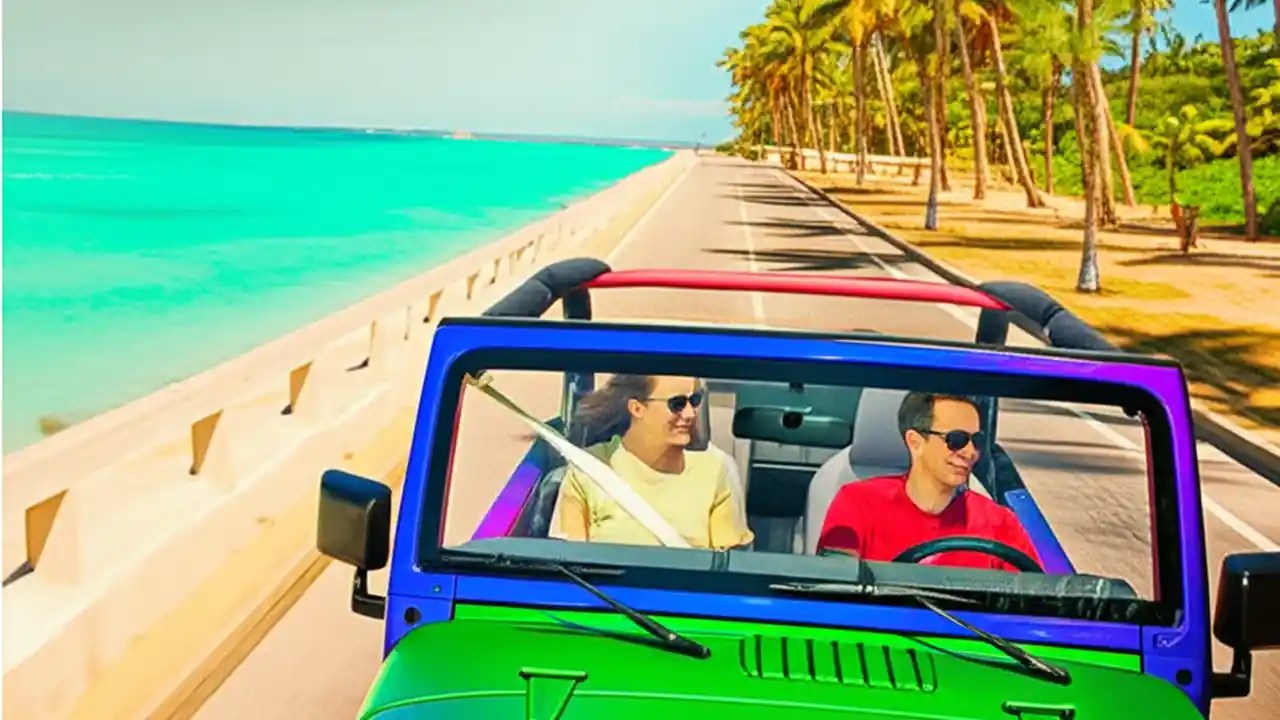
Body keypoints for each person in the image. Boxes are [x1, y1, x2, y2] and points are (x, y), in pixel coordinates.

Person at [816, 391, 1040, 572]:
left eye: (977, 441)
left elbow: (1033, 601)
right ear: (915, 443)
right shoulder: (857, 503)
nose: (970, 452)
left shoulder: (1000, 522)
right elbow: (834, 589)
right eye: (956, 439)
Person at [549, 373, 753, 550]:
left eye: (695, 401)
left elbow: (728, 569)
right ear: (637, 408)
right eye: (677, 404)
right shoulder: (588, 470)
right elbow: (568, 563)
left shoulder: (717, 470)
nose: (690, 413)